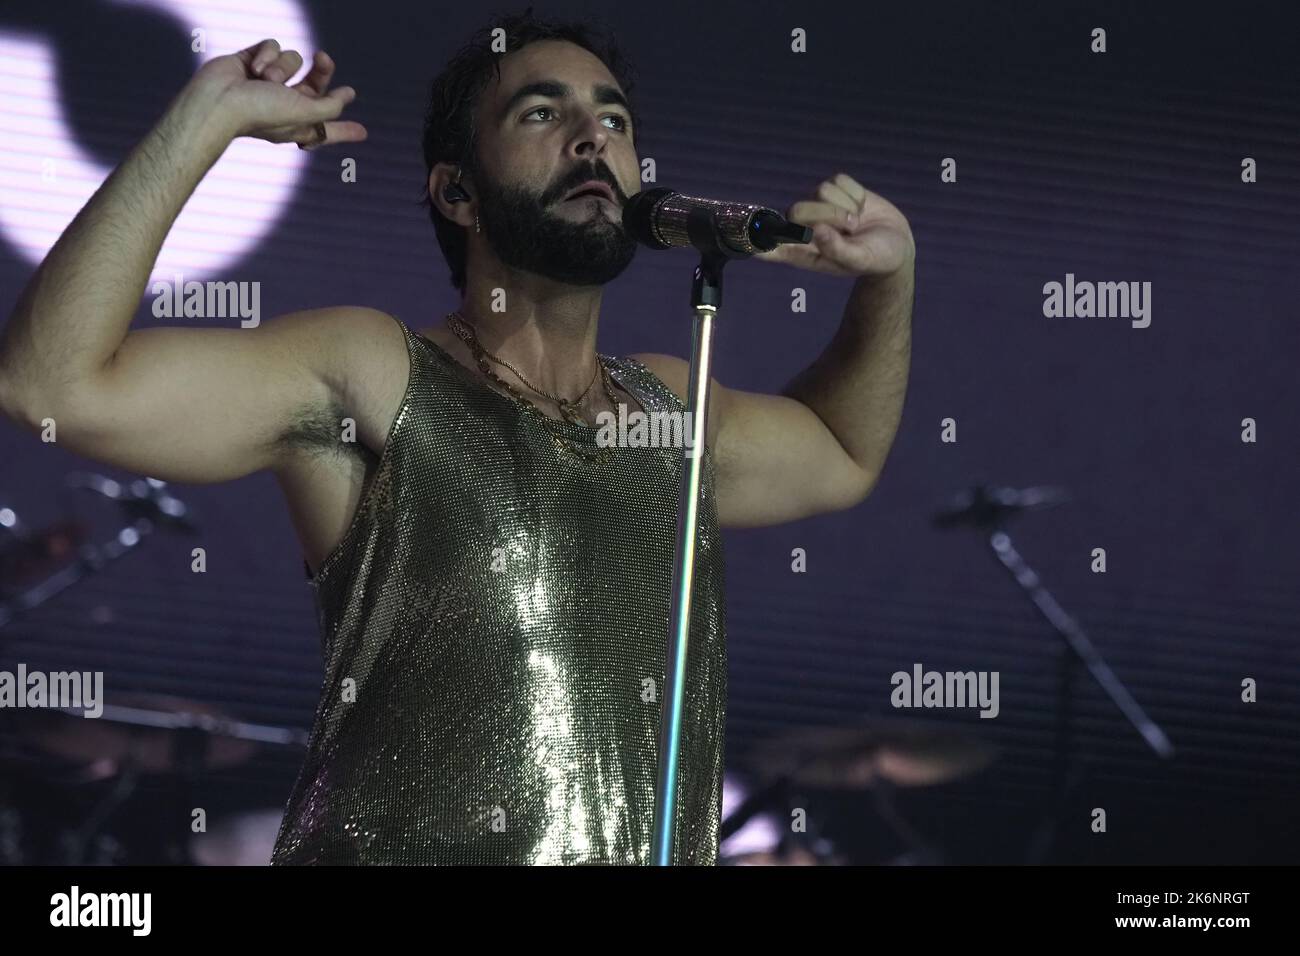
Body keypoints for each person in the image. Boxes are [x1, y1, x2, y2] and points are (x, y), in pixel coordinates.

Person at [0, 10, 915, 864]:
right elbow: (51, 385)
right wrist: (202, 120)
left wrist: (888, 282)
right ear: (459, 193)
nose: (593, 137)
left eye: (615, 119)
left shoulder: (668, 410)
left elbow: (842, 453)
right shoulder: (375, 371)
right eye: (542, 112)